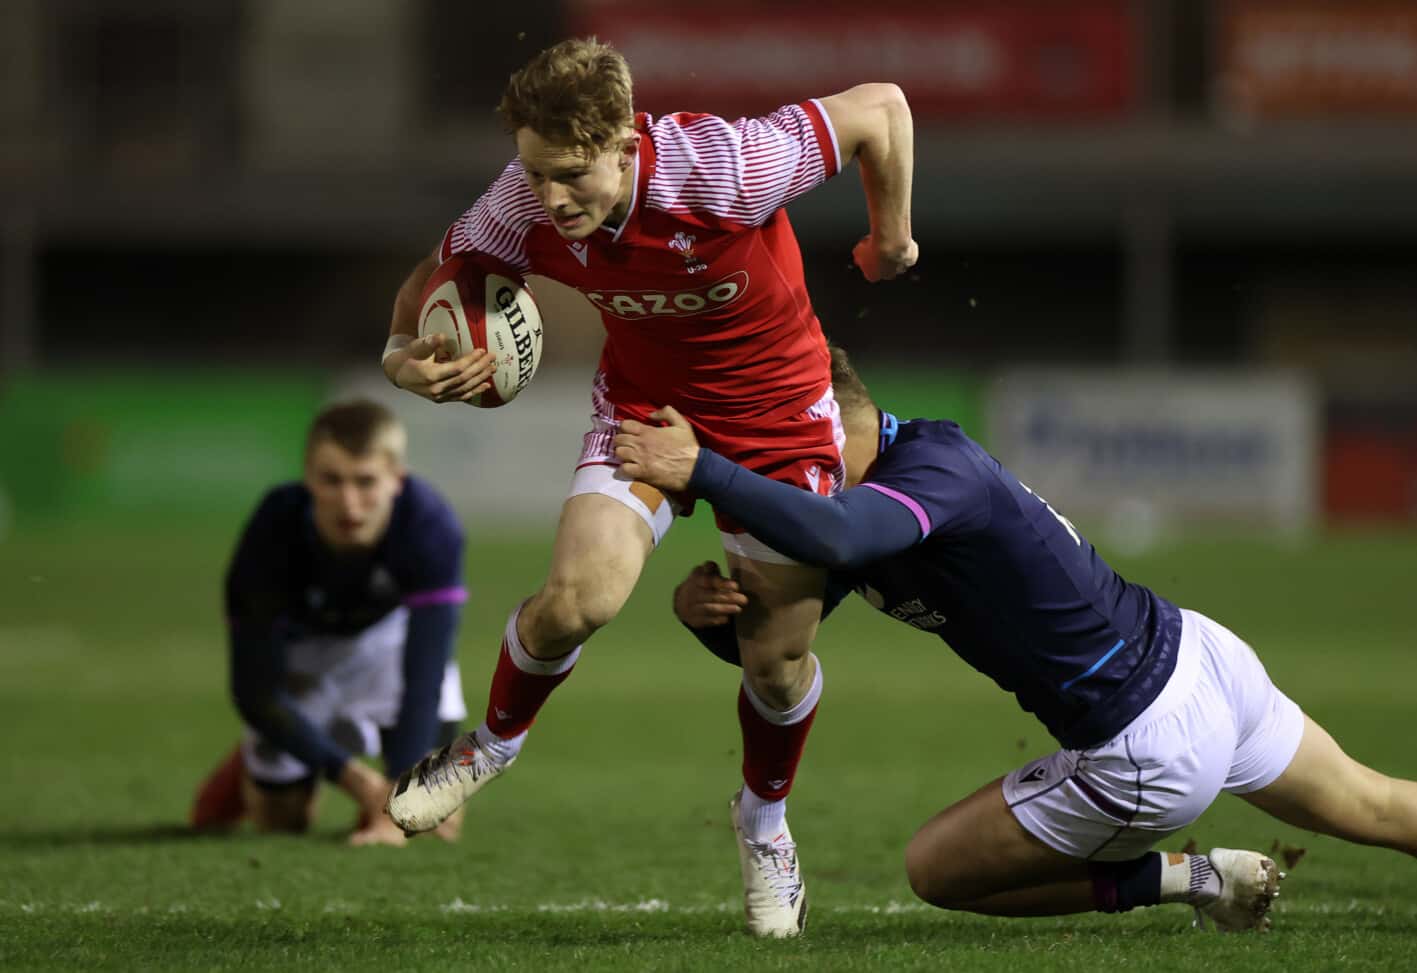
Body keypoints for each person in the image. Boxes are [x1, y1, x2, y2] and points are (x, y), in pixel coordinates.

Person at [378, 37, 916, 935]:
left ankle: (764, 822)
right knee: (575, 599)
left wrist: (888, 236)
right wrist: (403, 362)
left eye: (573, 175)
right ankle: (490, 745)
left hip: (778, 423)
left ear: (627, 145)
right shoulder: (523, 200)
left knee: (775, 666)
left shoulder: (724, 169)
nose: (551, 198)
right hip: (642, 409)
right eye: (536, 171)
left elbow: (882, 105)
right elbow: (435, 281)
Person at [612, 345, 1417, 931]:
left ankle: (1193, 876)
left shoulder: (931, 468)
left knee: (934, 868)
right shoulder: (857, 506)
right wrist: (705, 618)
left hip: (1145, 736)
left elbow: (841, 539)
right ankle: (1205, 873)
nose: (764, 464)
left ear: (818, 424)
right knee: (1377, 804)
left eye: (773, 443)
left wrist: (705, 470)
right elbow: (782, 641)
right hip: (1196, 659)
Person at [189, 400, 469, 848]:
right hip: (300, 664)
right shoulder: (273, 528)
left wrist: (400, 803)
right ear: (307, 476)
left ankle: (307, 748)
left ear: (397, 478)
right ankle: (263, 758)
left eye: (365, 482)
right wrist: (355, 780)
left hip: (389, 652)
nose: (349, 502)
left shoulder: (430, 525)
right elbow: (254, 689)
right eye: (332, 481)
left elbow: (425, 674)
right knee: (280, 824)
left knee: (435, 826)